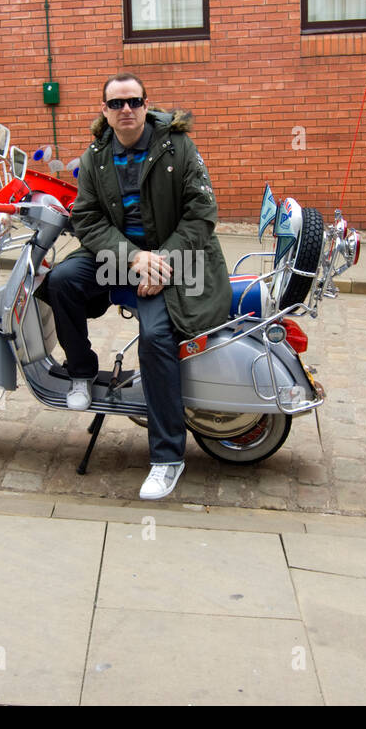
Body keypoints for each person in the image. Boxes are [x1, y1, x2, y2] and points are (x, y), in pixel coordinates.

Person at [40, 73, 230, 500]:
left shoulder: (176, 147)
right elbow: (86, 218)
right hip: (124, 257)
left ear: (146, 105)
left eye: (133, 101)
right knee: (62, 281)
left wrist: (159, 261)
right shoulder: (96, 157)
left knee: (158, 337)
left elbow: (203, 213)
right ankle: (82, 372)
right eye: (116, 104)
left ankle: (167, 458)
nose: (125, 110)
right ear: (105, 112)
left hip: (176, 260)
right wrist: (132, 259)